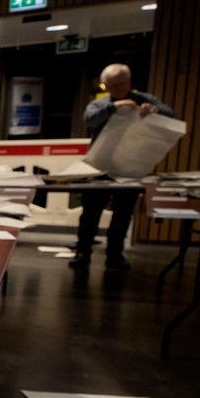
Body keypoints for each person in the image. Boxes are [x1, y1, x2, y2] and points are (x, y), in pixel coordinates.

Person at [70, 63, 175, 271]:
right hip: (100, 166)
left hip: (131, 166)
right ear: (106, 86)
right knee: (90, 212)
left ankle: (115, 254)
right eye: (112, 85)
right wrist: (114, 107)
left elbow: (170, 116)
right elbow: (89, 119)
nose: (117, 88)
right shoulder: (101, 104)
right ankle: (83, 251)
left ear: (129, 82)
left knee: (123, 213)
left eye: (121, 83)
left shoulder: (146, 100)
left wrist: (154, 112)